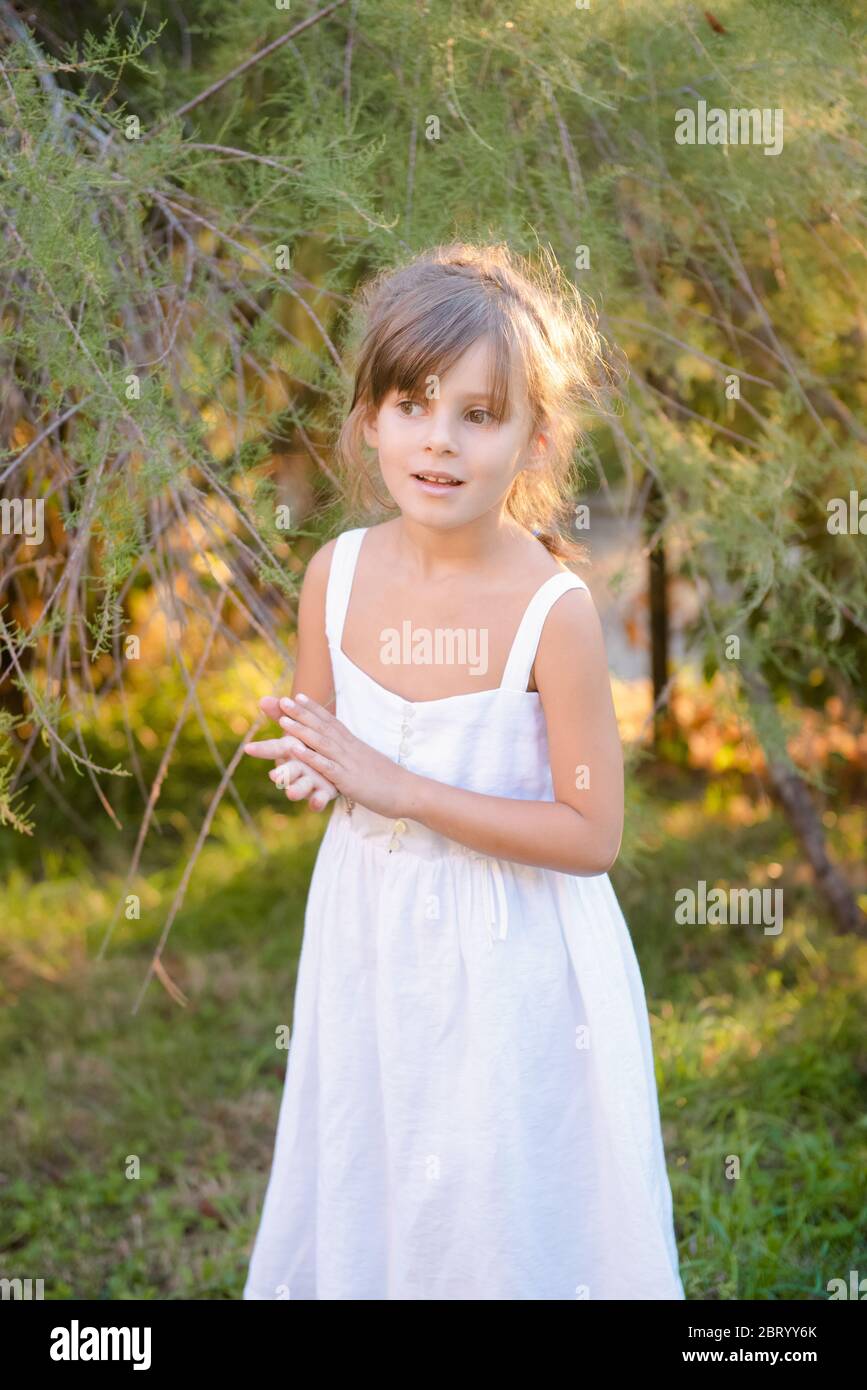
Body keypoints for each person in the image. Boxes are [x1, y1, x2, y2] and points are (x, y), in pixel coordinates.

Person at [242, 241, 685, 1300]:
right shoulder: (333, 578)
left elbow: (592, 836)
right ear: (367, 420)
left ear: (534, 437)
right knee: (381, 1160)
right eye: (411, 404)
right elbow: (333, 743)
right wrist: (319, 768)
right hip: (369, 933)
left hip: (515, 954)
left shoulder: (553, 610)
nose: (437, 442)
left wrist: (401, 788)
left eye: (477, 415)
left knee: (499, 1194)